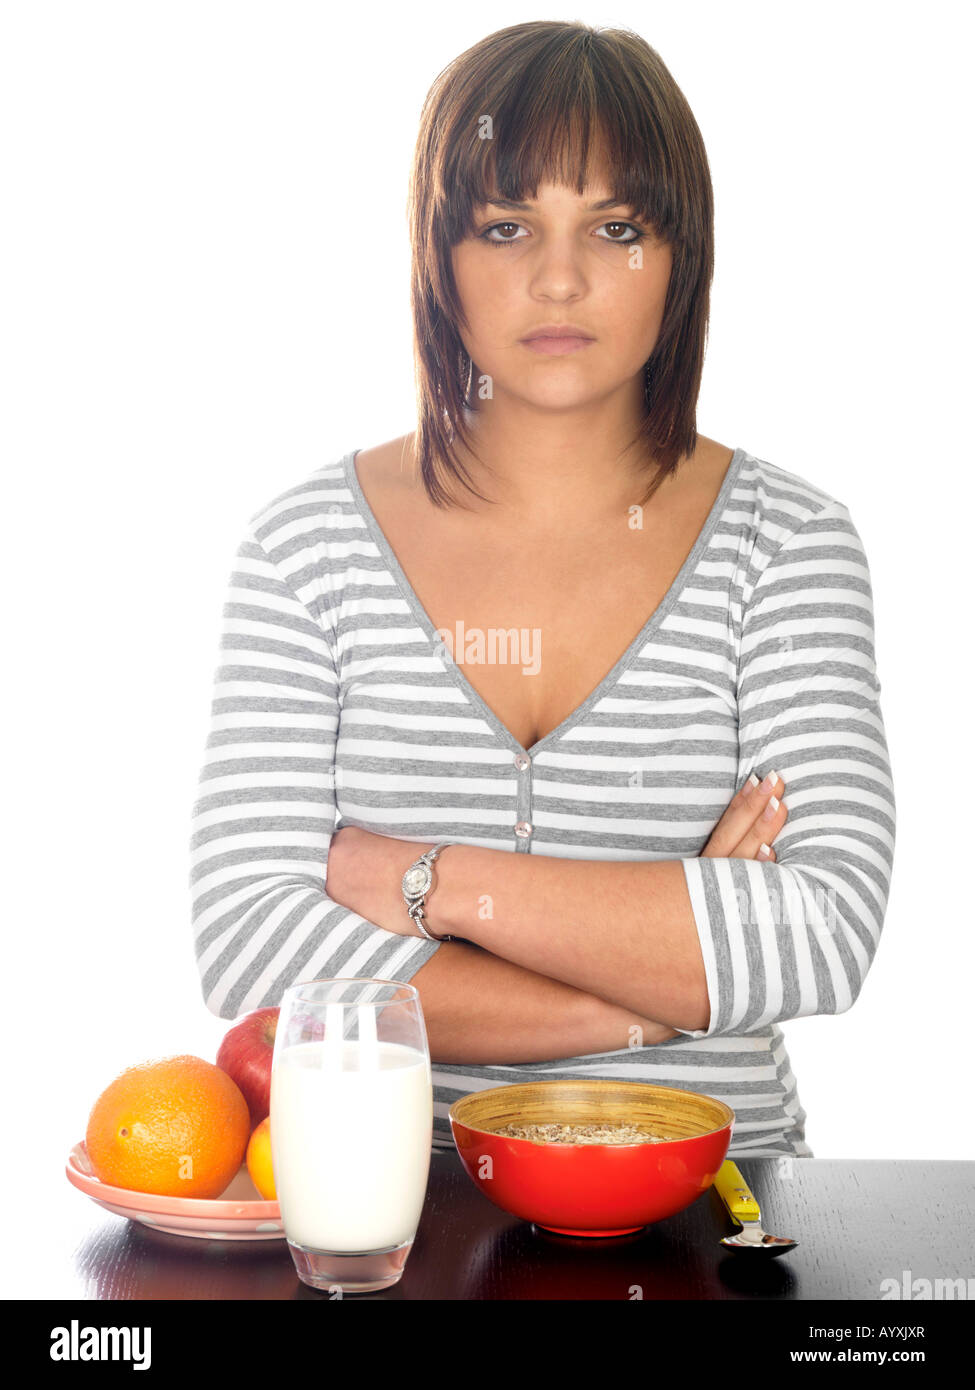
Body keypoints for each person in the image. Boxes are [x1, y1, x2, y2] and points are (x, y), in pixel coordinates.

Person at [189, 21, 895, 1158]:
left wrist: (422, 880)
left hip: (723, 1220)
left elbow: (819, 932)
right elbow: (254, 944)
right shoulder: (306, 546)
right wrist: (642, 992)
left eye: (616, 228)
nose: (559, 277)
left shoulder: (788, 543)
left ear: (682, 255)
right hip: (387, 1215)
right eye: (506, 226)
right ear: (439, 251)